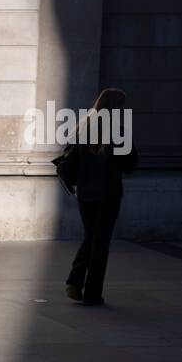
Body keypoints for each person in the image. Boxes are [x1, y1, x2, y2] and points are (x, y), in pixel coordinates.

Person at [66, 88, 137, 306]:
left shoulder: (81, 129)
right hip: (108, 194)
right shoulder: (118, 132)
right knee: (100, 242)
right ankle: (92, 293)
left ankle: (75, 280)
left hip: (85, 193)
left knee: (90, 236)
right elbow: (130, 164)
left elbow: (68, 160)